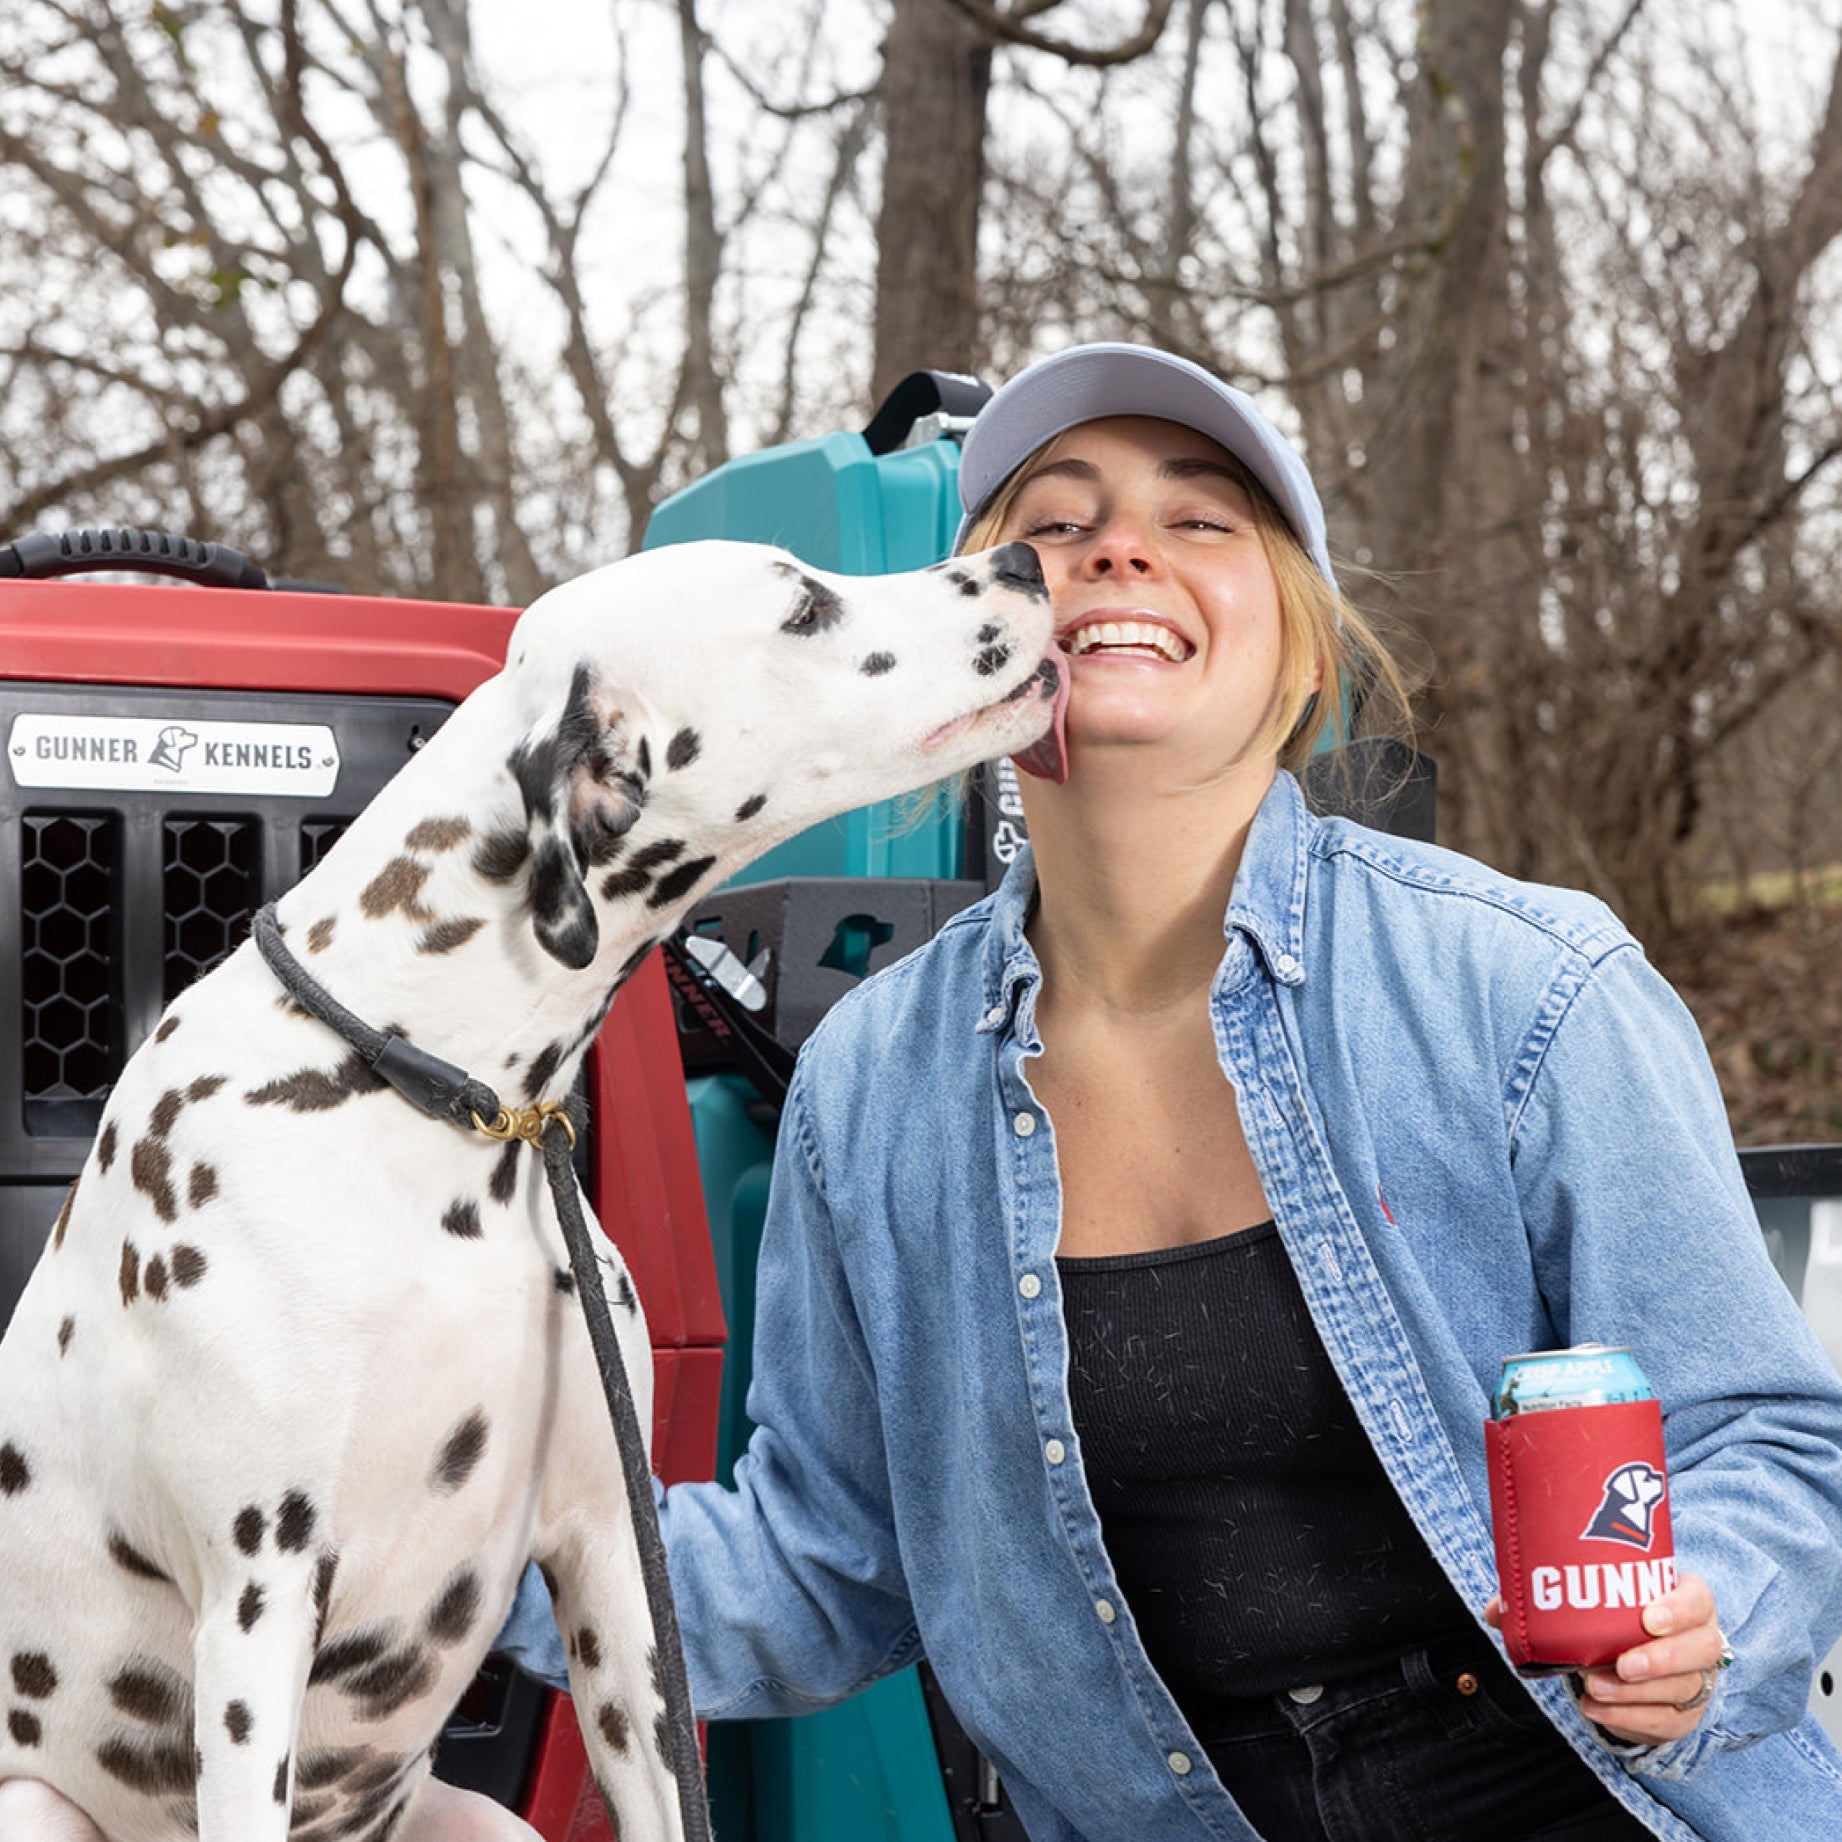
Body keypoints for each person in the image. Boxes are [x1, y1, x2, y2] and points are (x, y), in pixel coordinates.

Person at [497, 343, 1842, 1840]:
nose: (1117, 545)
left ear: (1305, 655)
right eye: (1055, 525)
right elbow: (818, 1565)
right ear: (976, 650)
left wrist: (1705, 1609)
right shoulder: (867, 1094)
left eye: (1201, 519)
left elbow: (1768, 1442)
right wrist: (443, 1565)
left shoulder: (1521, 987)